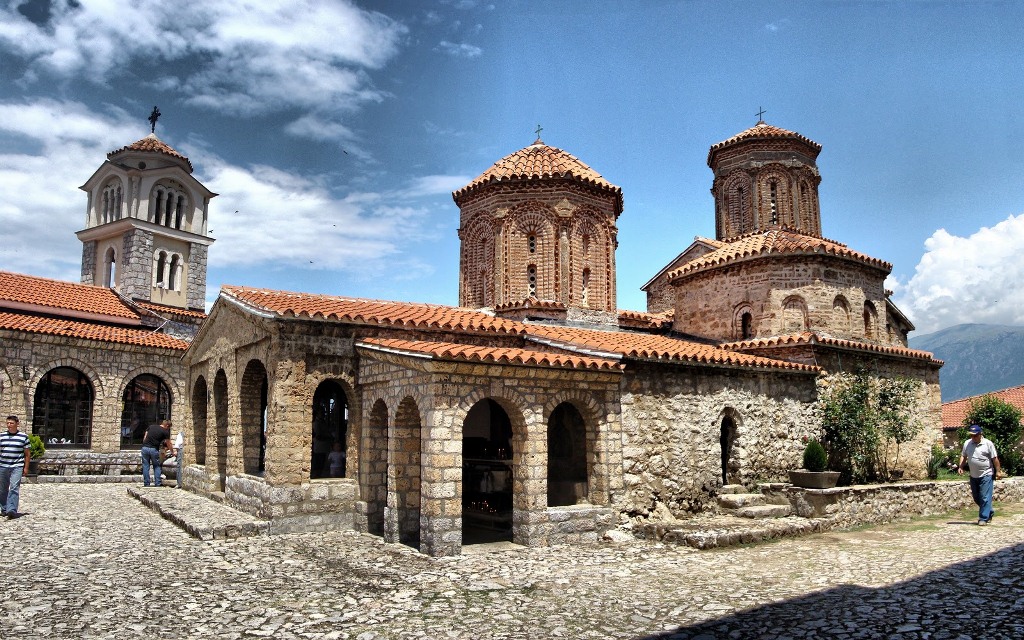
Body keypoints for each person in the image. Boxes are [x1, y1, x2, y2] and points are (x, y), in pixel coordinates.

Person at [958, 424, 1001, 525]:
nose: (973, 437)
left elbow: (994, 459)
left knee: (985, 497)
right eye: (971, 435)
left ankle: (983, 518)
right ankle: (989, 511)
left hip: (986, 474)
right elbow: (963, 456)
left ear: (980, 434)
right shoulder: (967, 443)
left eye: (975, 435)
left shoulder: (988, 444)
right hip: (974, 475)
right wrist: (961, 466)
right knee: (977, 497)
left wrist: (998, 471)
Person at [0, 415, 31, 519]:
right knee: (3, 488)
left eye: (11, 423)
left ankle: (11, 510)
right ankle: (4, 508)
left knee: (14, 487)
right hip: (3, 465)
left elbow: (27, 454)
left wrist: (26, 468)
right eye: (8, 423)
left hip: (17, 466)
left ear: (17, 424)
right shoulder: (2, 436)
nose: (9, 425)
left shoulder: (23, 437)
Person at [140, 419, 172, 487]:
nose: (168, 429)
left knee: (145, 466)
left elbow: (145, 436)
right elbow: (168, 443)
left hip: (145, 448)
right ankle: (157, 483)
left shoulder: (151, 427)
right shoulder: (165, 431)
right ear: (167, 425)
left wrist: (145, 444)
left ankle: (146, 483)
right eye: (169, 427)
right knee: (157, 466)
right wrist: (172, 451)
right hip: (153, 449)